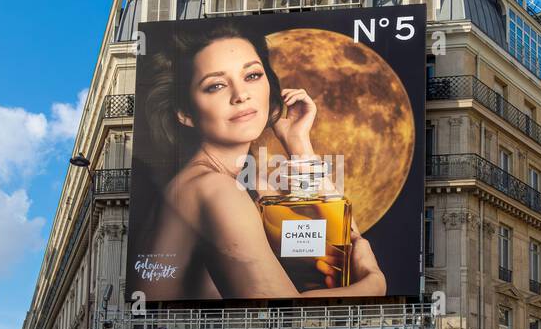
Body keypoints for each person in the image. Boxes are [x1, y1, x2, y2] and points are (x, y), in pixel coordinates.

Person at [136, 24, 387, 301]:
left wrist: (298, 143)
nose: (241, 95)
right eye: (216, 85)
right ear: (185, 113)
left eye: (252, 75)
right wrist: (374, 284)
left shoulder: (251, 184)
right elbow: (283, 314)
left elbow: (341, 239)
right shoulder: (213, 188)